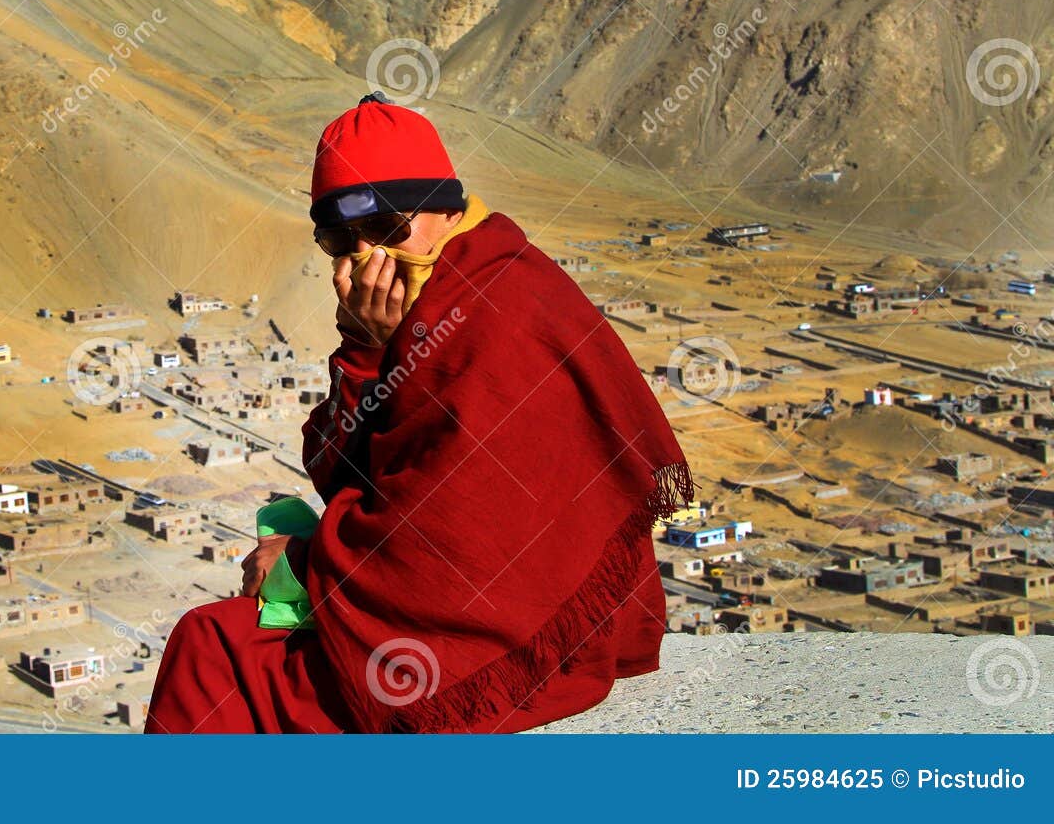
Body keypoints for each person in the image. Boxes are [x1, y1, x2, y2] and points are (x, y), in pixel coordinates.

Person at [145, 93, 691, 733]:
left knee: (212, 650)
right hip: (535, 626)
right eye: (341, 241)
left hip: (519, 656)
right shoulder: (444, 289)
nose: (368, 260)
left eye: (388, 230)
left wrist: (301, 563)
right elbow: (337, 469)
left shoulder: (493, 310)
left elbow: (443, 539)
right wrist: (367, 351)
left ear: (446, 209)